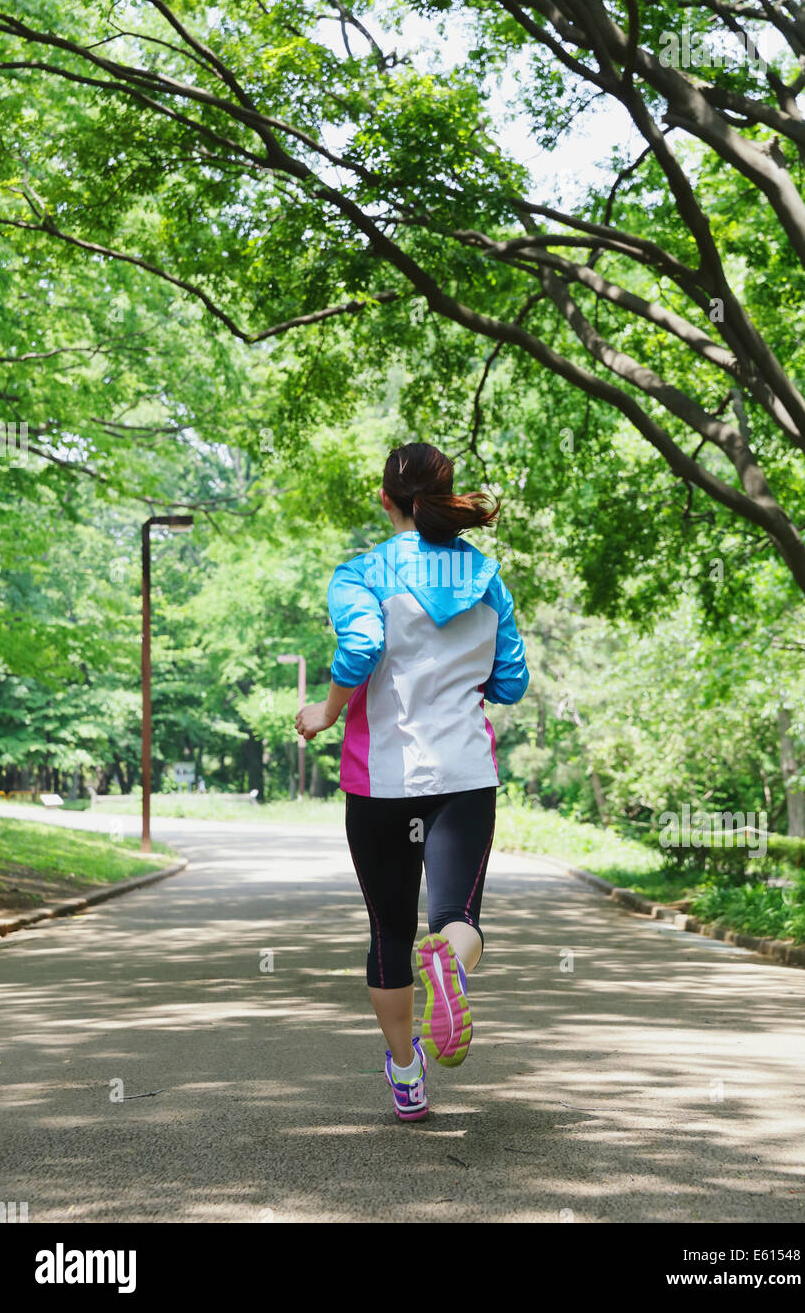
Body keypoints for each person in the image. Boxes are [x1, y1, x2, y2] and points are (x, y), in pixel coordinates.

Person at [295, 442, 529, 1121]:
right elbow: (510, 682)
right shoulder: (488, 579)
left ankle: (405, 1074)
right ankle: (450, 964)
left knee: (388, 932)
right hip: (463, 777)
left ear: (385, 499)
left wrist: (326, 712)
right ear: (444, 496)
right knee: (458, 921)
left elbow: (363, 647)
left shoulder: (360, 573)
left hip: (380, 783)